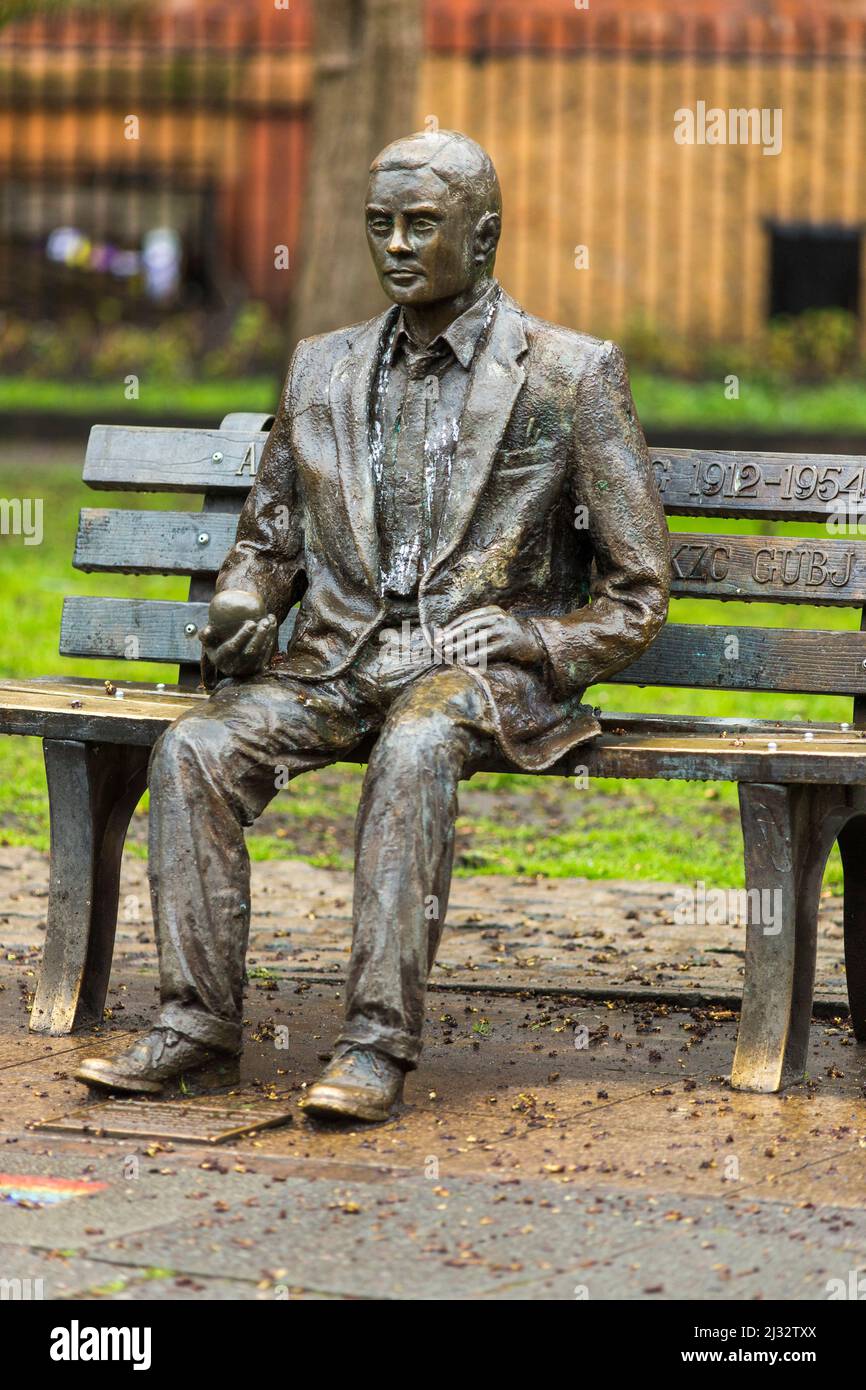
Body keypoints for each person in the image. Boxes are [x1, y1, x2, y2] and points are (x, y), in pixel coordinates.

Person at [75, 130, 670, 1122]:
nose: (394, 244)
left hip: (468, 671)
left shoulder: (568, 375)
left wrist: (536, 642)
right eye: (379, 224)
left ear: (481, 237)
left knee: (417, 741)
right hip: (334, 663)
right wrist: (245, 601)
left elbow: (638, 590)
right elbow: (268, 543)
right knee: (191, 749)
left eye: (420, 225)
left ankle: (374, 1044)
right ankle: (197, 1027)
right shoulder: (321, 369)